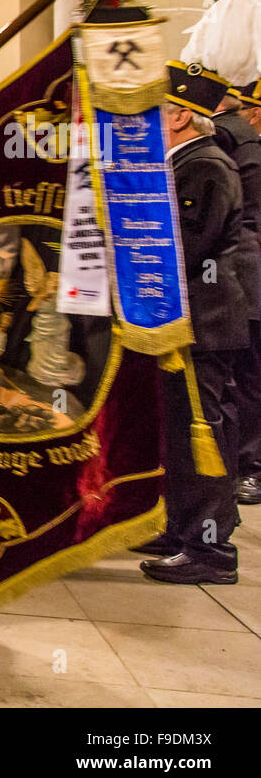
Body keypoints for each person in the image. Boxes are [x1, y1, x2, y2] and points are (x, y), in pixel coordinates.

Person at [135, 60, 250, 585]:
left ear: (180, 114)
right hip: (183, 322)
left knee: (203, 434)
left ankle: (211, 550)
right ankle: (182, 529)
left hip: (201, 322)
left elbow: (188, 246)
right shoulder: (185, 162)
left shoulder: (205, 164)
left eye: (156, 109)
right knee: (181, 435)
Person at [212, 88, 261, 505]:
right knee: (244, 377)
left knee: (244, 378)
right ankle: (242, 468)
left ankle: (248, 468)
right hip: (246, 273)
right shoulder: (242, 137)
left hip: (243, 275)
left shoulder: (229, 136)